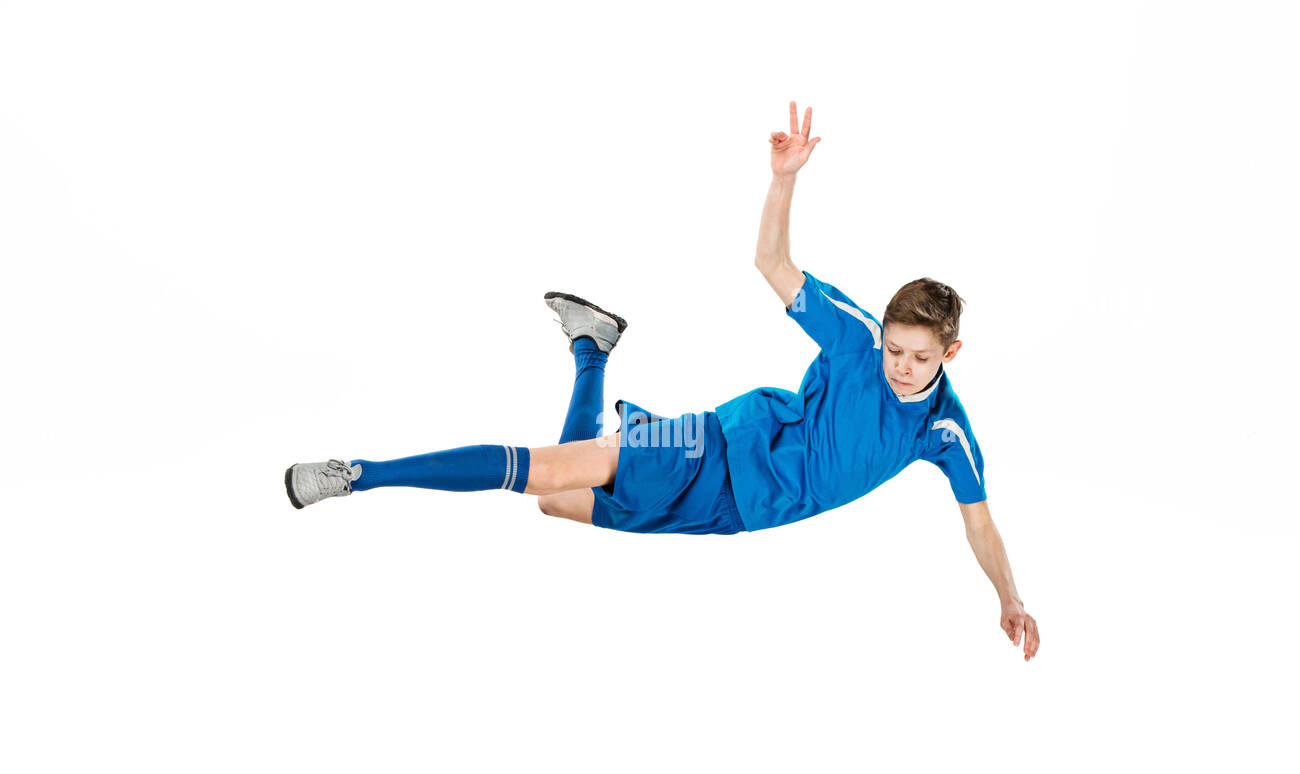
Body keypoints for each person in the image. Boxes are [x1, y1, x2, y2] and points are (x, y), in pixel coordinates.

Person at [285, 101, 1041, 661]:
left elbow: (979, 523)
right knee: (543, 471)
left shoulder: (947, 432)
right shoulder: (855, 339)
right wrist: (782, 181)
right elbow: (773, 267)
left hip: (742, 515)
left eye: (918, 357)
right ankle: (359, 474)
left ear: (952, 353)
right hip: (722, 450)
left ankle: (593, 348)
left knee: (555, 501)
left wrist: (1008, 598)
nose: (900, 365)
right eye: (896, 350)